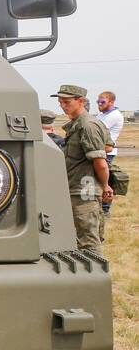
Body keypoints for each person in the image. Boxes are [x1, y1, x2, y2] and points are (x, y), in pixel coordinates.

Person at [51, 85, 112, 252]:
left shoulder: (87, 125)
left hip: (85, 190)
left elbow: (100, 161)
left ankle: (95, 275)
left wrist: (105, 185)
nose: (63, 105)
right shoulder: (76, 124)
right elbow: (107, 146)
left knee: (88, 239)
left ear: (81, 101)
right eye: (60, 102)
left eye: (67, 102)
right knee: (75, 237)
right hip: (74, 187)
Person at [96, 92, 123, 237]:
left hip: (107, 152)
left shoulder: (114, 116)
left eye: (102, 102)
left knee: (104, 181)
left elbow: (96, 129)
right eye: (98, 102)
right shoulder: (102, 114)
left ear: (111, 102)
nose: (99, 105)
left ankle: (105, 209)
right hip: (100, 150)